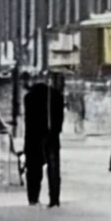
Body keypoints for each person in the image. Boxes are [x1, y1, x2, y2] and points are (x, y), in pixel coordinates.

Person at [23, 76, 64, 207]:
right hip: (52, 135)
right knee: (53, 168)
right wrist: (56, 131)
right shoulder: (57, 96)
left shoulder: (29, 98)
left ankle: (33, 197)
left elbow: (28, 122)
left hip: (33, 137)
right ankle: (54, 198)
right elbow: (59, 119)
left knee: (34, 169)